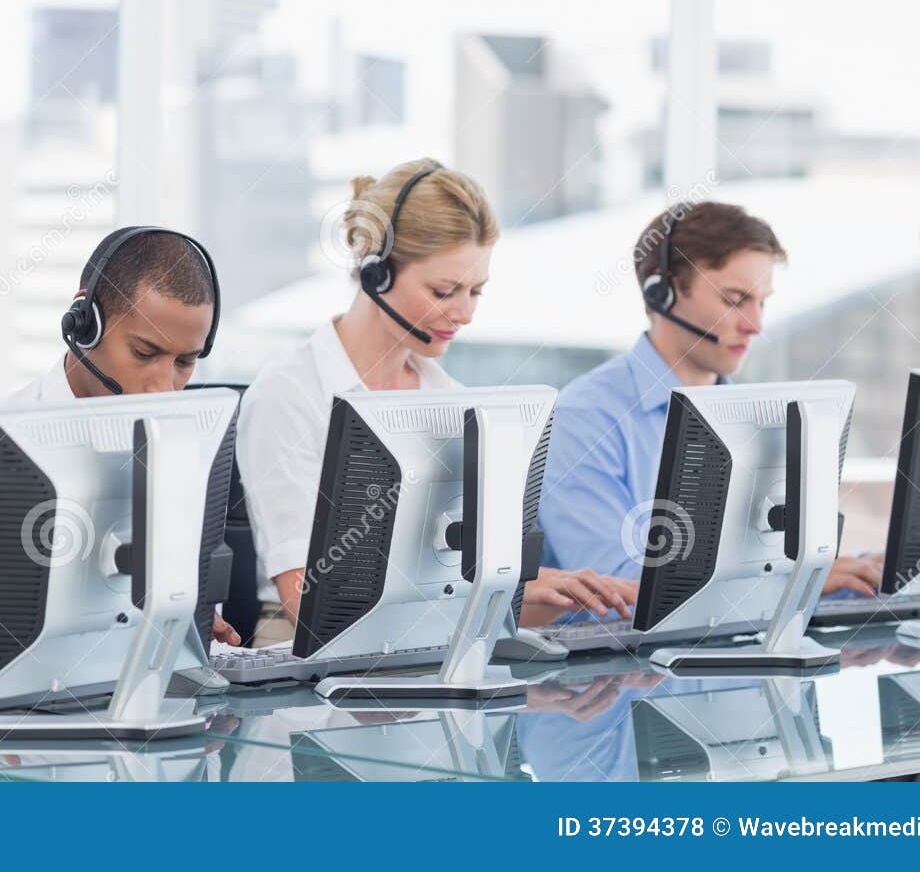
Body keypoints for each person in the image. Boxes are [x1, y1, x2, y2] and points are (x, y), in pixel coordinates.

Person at [236, 158, 631, 649]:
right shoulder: (291, 392)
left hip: (427, 656)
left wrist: (557, 593)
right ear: (376, 272)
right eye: (444, 291)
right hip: (304, 660)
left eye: (475, 291)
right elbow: (309, 599)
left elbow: (460, 588)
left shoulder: (449, 398)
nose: (464, 313)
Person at [530, 200, 882, 626]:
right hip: (620, 681)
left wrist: (861, 580)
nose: (754, 325)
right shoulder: (585, 418)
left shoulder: (757, 420)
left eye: (761, 303)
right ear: (663, 293)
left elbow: (771, 565)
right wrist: (788, 584)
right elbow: (616, 591)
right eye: (735, 301)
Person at [0, 227, 240, 651]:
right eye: (144, 354)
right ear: (85, 324)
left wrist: (186, 631)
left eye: (185, 362)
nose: (163, 389)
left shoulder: (181, 452)